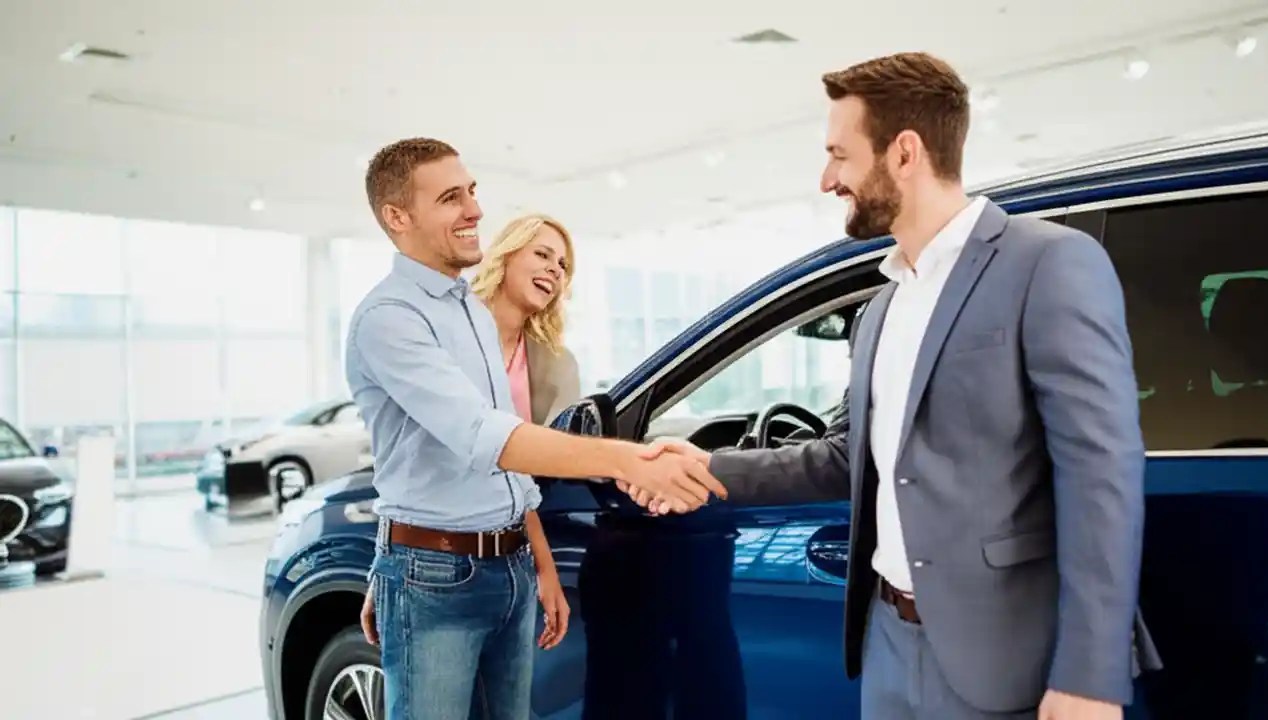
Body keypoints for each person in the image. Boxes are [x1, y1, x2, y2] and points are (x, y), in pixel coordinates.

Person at [630, 53, 1159, 720]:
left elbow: (1100, 474)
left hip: (1004, 659)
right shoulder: (882, 305)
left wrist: (1090, 677)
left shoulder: (1048, 263)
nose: (828, 179)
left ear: (904, 153)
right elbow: (851, 458)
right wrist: (705, 466)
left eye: (839, 155)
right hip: (887, 644)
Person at [346, 137, 726, 720]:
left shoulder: (466, 310)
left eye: (472, 192)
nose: (475, 210)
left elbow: (501, 465)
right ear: (399, 217)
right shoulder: (390, 318)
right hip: (436, 576)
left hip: (510, 567)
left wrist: (536, 564)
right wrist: (629, 461)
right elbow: (484, 434)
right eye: (452, 197)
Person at [472, 212, 585, 650]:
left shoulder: (556, 362)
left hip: (513, 545)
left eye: (562, 266)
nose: (554, 270)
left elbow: (533, 466)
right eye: (542, 254)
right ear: (506, 254)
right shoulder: (449, 333)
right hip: (440, 550)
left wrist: (542, 566)